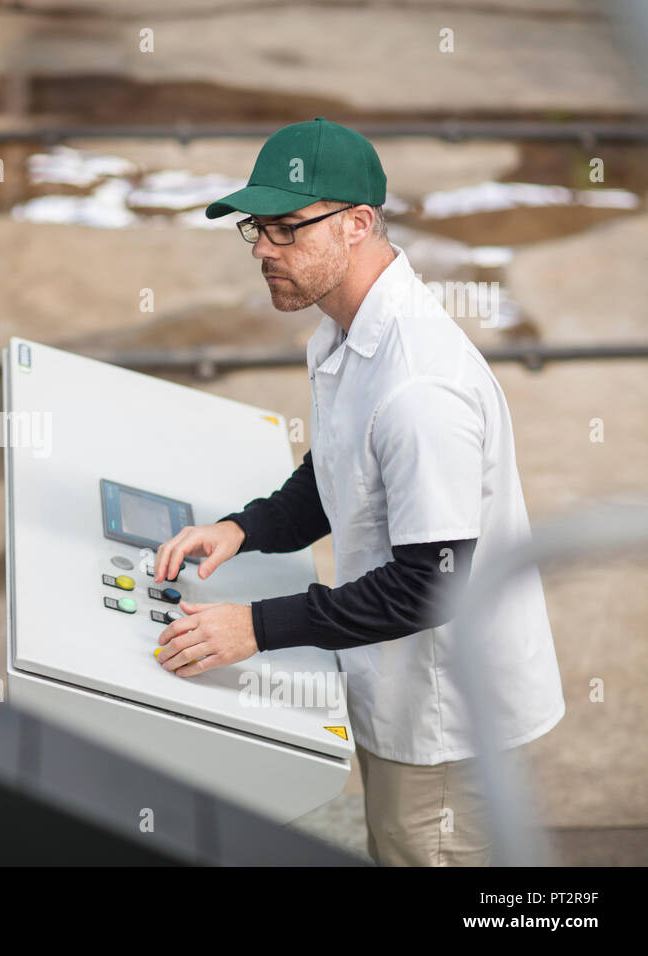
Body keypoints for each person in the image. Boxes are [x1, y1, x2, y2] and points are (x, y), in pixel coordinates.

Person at [150, 117, 564, 866]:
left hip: (447, 718)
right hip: (399, 686)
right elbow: (339, 464)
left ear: (358, 225)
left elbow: (428, 588)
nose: (265, 251)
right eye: (256, 228)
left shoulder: (419, 389)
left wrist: (257, 627)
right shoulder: (348, 331)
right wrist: (247, 528)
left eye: (286, 229)